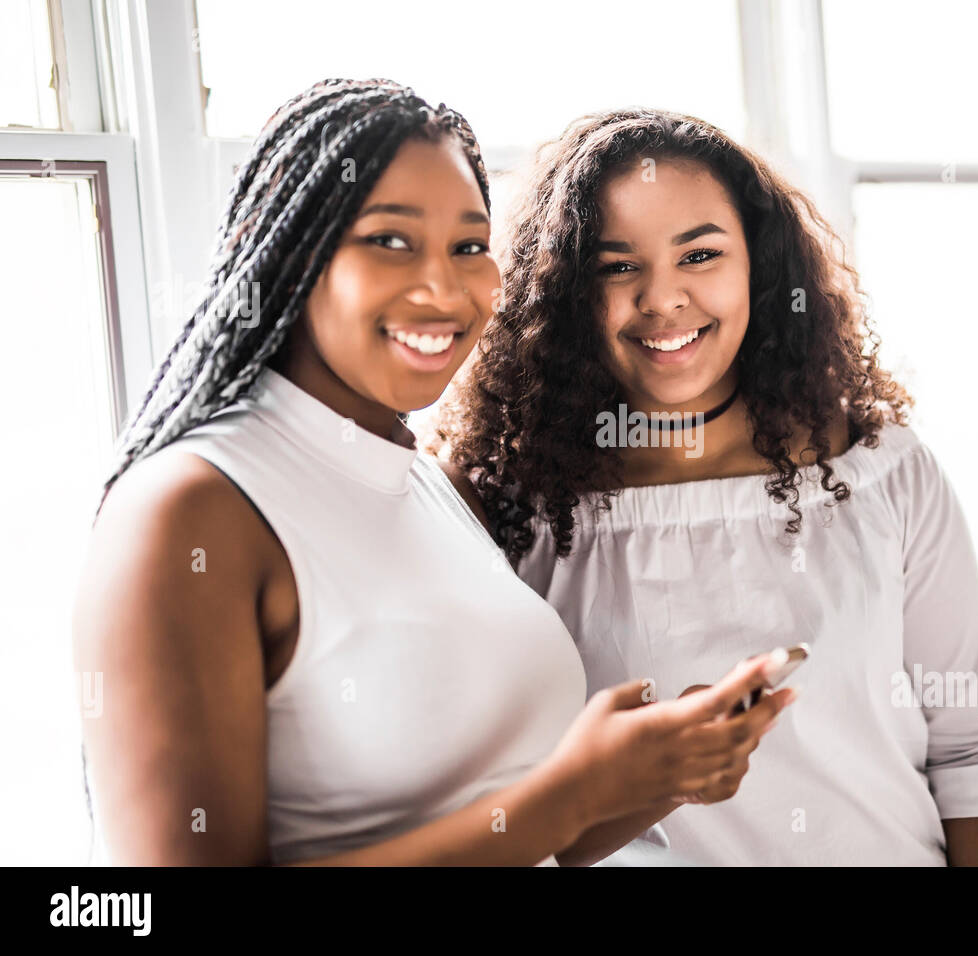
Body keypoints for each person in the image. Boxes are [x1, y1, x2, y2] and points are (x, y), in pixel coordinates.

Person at [72, 81, 793, 867]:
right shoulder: (192, 511)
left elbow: (526, 831)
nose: (443, 289)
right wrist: (575, 792)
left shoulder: (430, 488)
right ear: (286, 252)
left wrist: (653, 773)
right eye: (390, 241)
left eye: (469, 246)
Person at [442, 107, 978, 865]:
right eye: (616, 266)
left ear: (760, 264)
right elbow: (493, 799)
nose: (661, 299)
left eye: (699, 256)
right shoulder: (508, 506)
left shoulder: (881, 470)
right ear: (563, 291)